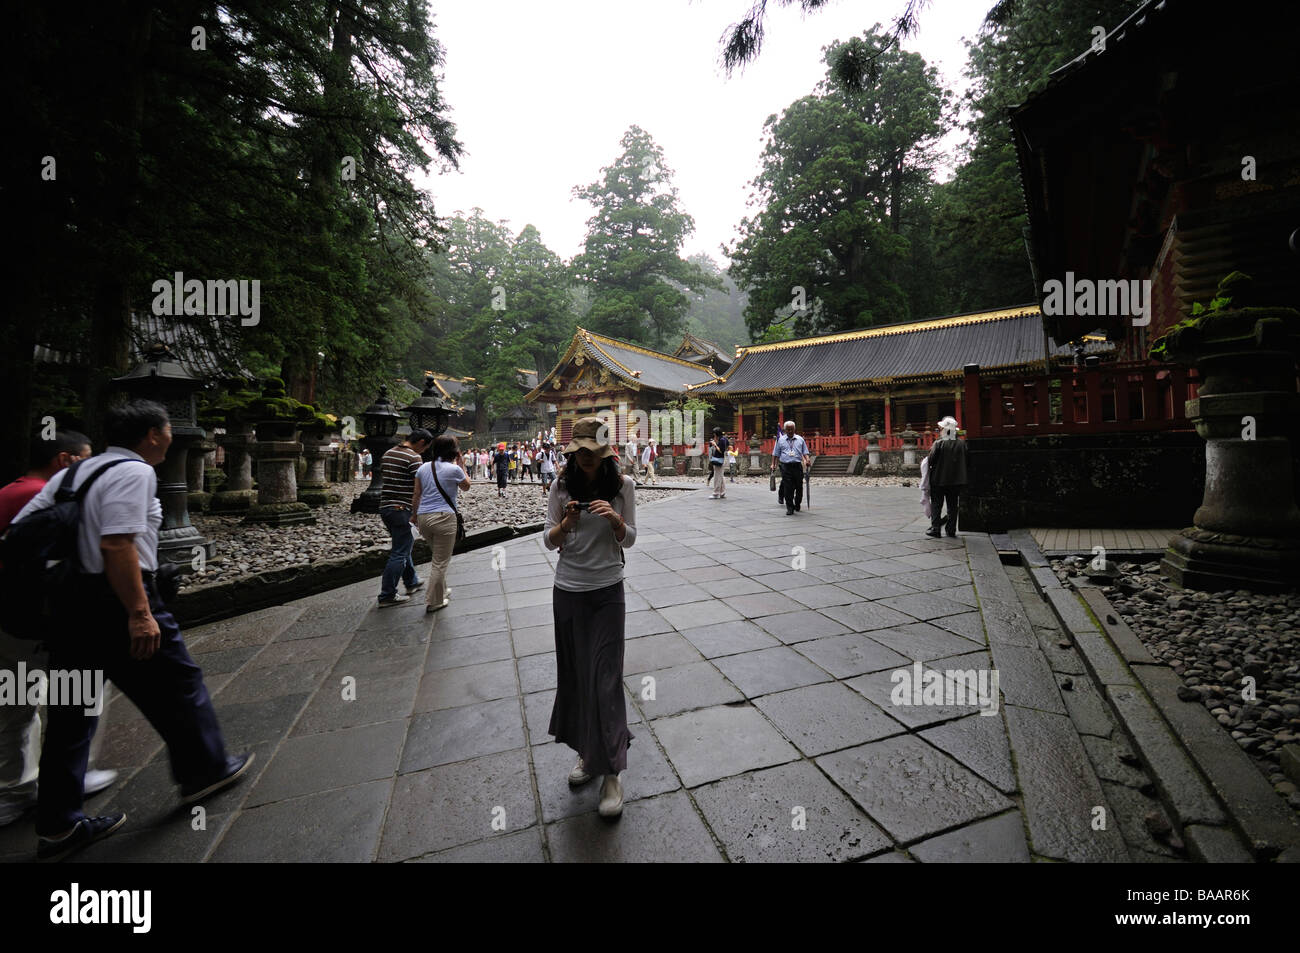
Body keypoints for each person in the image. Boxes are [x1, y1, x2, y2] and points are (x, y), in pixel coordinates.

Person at [15, 400, 252, 861]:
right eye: (167, 429)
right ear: (152, 435)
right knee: (177, 682)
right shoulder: (135, 472)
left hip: (69, 605)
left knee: (71, 711)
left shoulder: (71, 475)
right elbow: (118, 542)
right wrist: (140, 613)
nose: (170, 435)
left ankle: (58, 824)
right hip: (117, 599)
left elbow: (24, 533)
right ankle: (205, 769)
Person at [0, 431, 119, 828]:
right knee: (77, 699)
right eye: (85, 462)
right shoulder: (45, 498)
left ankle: (13, 791)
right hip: (40, 621)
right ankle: (72, 776)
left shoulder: (10, 493)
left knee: (16, 706)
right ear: (65, 461)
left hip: (10, 621)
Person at [544, 417, 637, 819]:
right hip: (568, 591)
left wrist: (616, 520)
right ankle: (587, 754)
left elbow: (631, 538)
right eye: (578, 450)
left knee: (605, 679)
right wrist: (566, 524)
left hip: (606, 592)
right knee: (578, 676)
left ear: (604, 455)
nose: (584, 457)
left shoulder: (623, 487)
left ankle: (612, 771)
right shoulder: (560, 487)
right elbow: (549, 539)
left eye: (591, 451)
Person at [412, 435, 470, 613]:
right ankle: (434, 601)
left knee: (437, 557)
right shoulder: (454, 469)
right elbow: (466, 486)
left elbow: (417, 494)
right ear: (454, 451)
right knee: (440, 561)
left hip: (424, 517)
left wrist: (413, 516)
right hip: (444, 517)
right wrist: (462, 465)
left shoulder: (423, 468)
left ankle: (442, 590)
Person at [376, 429, 432, 607]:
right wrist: (417, 513)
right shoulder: (413, 458)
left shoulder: (388, 453)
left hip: (386, 507)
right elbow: (419, 488)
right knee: (399, 552)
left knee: (402, 545)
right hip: (403, 508)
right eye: (425, 448)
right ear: (421, 442)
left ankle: (411, 580)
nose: (423, 451)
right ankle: (387, 594)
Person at [925, 416, 968, 538]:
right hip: (956, 480)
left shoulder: (939, 443)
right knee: (953, 505)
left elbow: (931, 460)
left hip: (939, 479)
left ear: (945, 430)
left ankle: (936, 528)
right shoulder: (962, 444)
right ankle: (951, 529)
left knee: (937, 504)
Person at [771, 420, 809, 515]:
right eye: (788, 430)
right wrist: (773, 464)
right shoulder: (780, 440)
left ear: (794, 429)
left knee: (799, 486)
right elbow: (775, 454)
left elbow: (805, 452)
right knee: (788, 487)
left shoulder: (800, 439)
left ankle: (797, 503)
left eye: (791, 429)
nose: (790, 431)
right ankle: (790, 507)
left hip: (797, 466)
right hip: (785, 466)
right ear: (785, 430)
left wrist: (807, 460)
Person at [708, 427, 728, 499]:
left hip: (719, 459)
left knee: (717, 477)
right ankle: (722, 492)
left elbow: (721, 450)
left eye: (714, 434)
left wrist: (715, 444)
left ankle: (716, 493)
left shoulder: (722, 440)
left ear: (716, 434)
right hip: (722, 459)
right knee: (721, 476)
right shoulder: (724, 439)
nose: (714, 435)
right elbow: (726, 447)